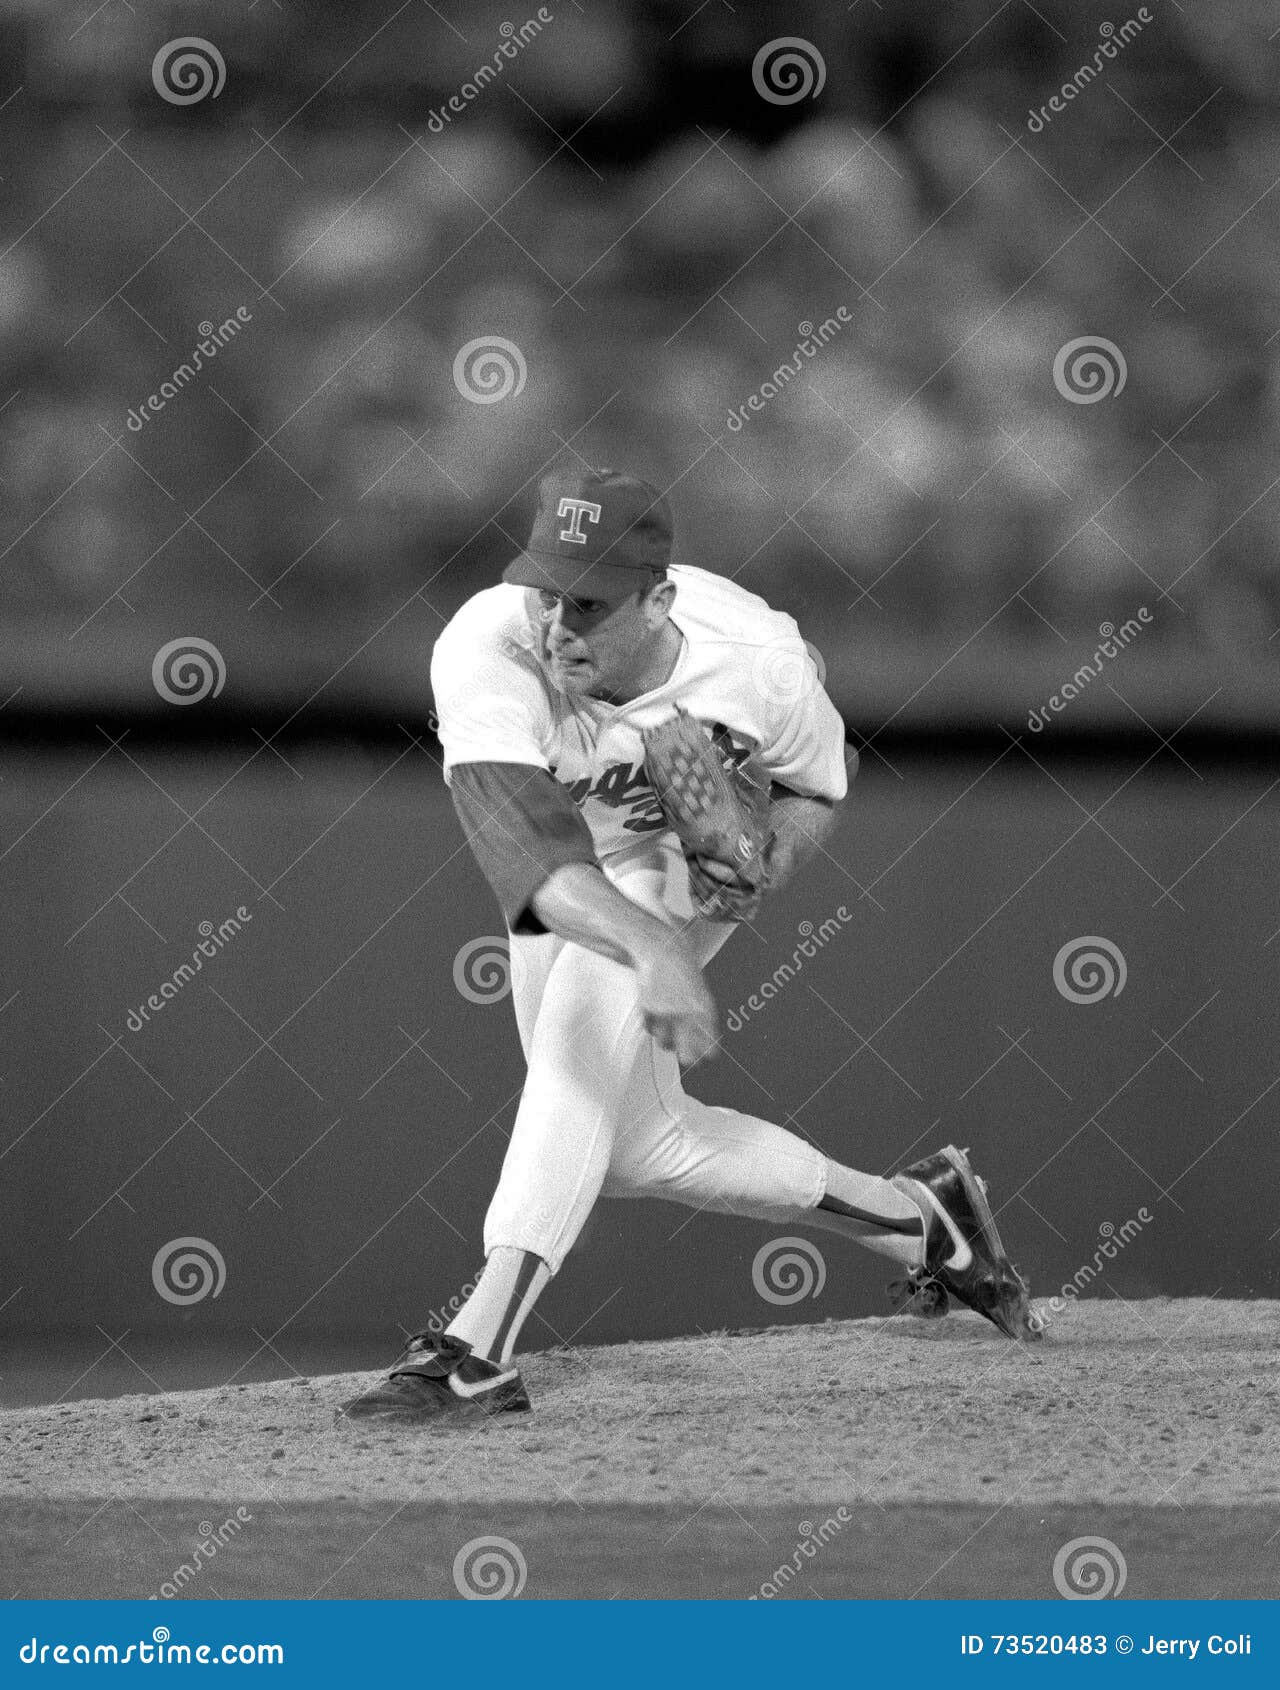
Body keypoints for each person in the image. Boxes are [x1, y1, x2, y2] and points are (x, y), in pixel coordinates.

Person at [341, 468, 1034, 1423]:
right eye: (546, 593)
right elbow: (536, 865)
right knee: (638, 1147)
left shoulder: (760, 660)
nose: (556, 627)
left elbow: (820, 785)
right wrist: (658, 955)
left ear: (657, 598)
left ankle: (476, 1350)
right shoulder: (483, 649)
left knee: (580, 1052)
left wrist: (765, 863)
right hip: (577, 865)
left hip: (672, 847)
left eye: (588, 605)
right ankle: (922, 1219)